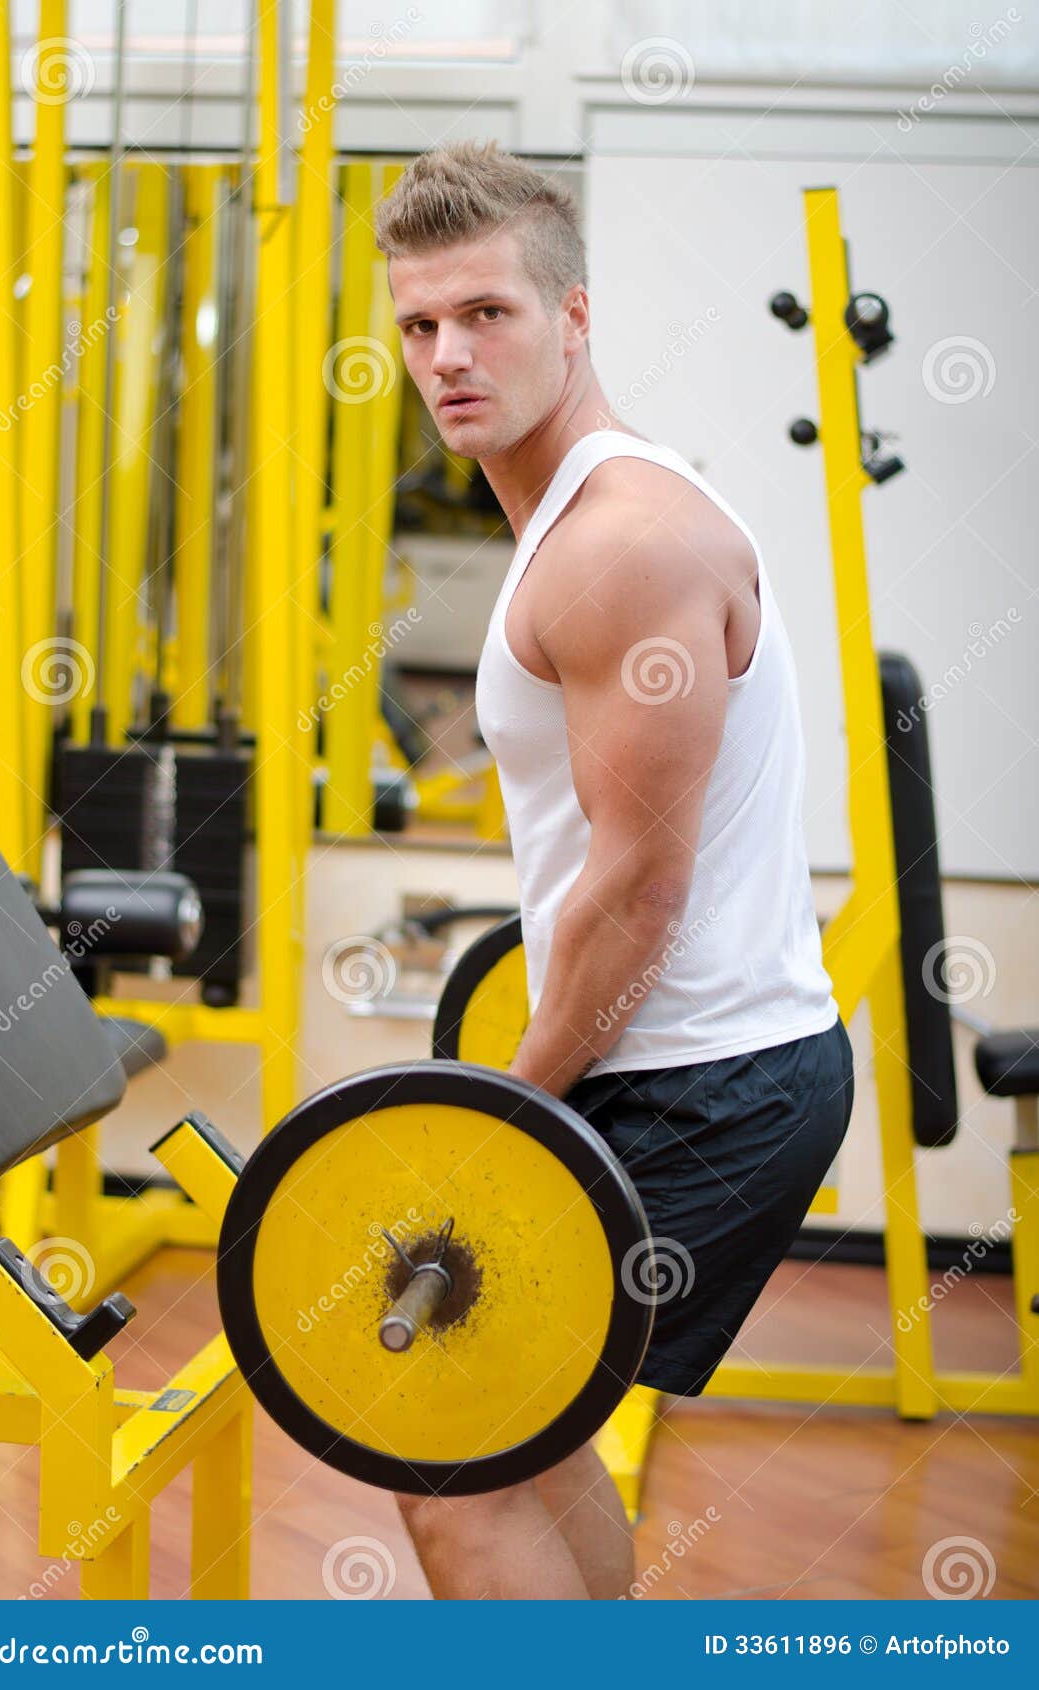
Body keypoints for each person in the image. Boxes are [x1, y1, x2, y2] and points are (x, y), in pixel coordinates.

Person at [372, 139, 855, 1601]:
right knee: (523, 1440)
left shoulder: (623, 546)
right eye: (419, 324)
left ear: (573, 317)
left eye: (487, 314)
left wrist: (508, 1116)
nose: (448, 357)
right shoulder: (572, 524)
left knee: (450, 1447)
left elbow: (640, 893)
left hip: (705, 1084)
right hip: (678, 1064)